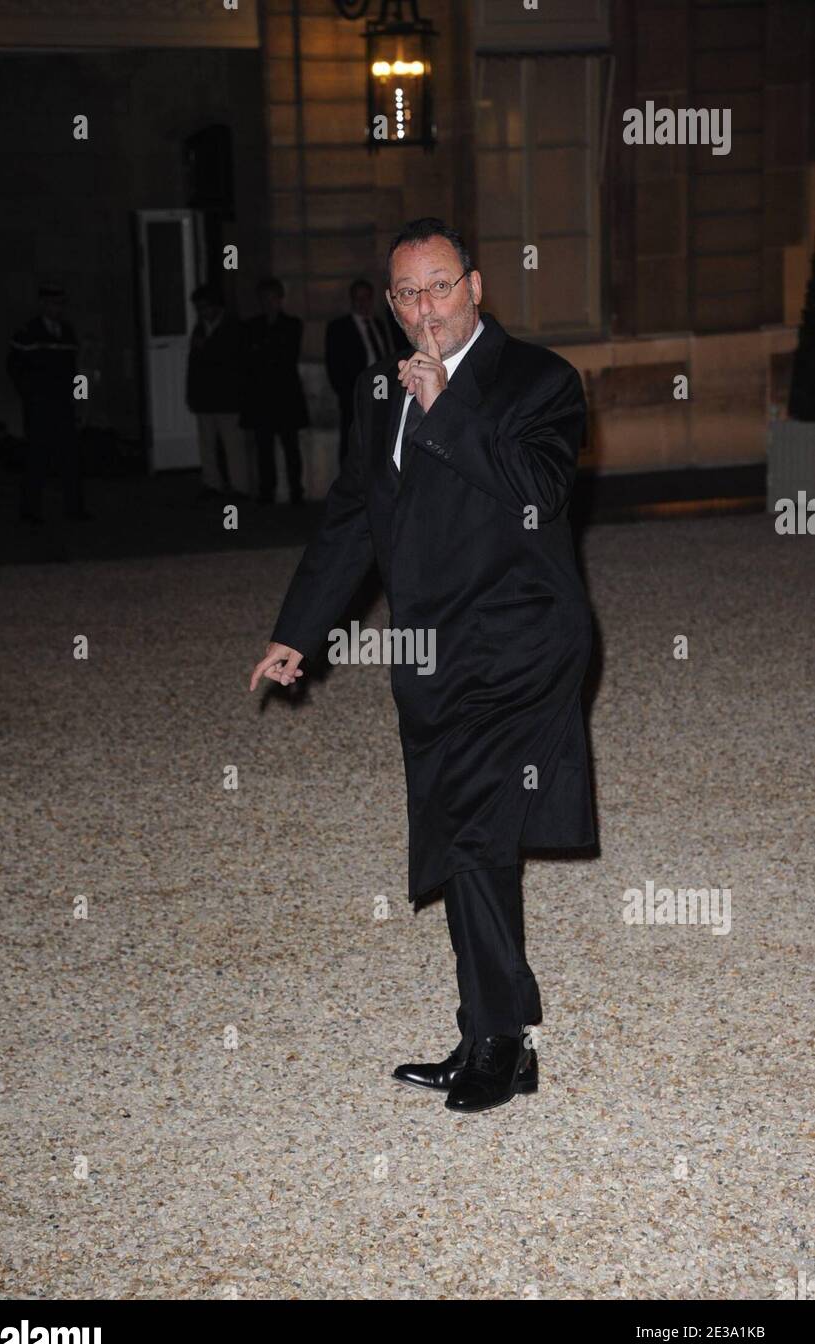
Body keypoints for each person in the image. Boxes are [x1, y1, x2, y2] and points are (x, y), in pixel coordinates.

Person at [249, 217, 595, 1115]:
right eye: (406, 294)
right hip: (429, 652)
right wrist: (300, 631)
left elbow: (539, 489)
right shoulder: (376, 390)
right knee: (460, 835)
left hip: (519, 645)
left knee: (474, 831)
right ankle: (500, 1030)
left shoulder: (537, 380)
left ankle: (495, 1040)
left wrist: (448, 406)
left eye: (439, 287)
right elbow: (353, 521)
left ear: (475, 287)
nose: (423, 309)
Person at [7, 285, 88, 523]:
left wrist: (79, 399)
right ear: (43, 304)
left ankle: (74, 508)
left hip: (63, 404)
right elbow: (14, 367)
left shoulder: (67, 332)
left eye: (62, 304)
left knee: (70, 458)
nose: (58, 309)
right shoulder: (27, 332)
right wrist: (29, 394)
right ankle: (30, 510)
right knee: (36, 456)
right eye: (54, 303)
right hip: (39, 404)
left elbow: (77, 370)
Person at [243, 277, 308, 506]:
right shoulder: (253, 326)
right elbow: (250, 359)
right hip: (262, 396)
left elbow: (285, 356)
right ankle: (266, 492)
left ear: (280, 300)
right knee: (264, 448)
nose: (268, 304)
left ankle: (296, 491)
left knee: (291, 446)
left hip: (285, 395)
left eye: (272, 299)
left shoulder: (292, 324)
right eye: (264, 299)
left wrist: (263, 351)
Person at [325, 279, 405, 462]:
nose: (362, 302)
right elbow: (334, 365)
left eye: (366, 298)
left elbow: (386, 356)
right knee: (352, 441)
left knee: (379, 438)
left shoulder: (378, 324)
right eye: (358, 298)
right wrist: (347, 394)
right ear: (352, 300)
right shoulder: (340, 327)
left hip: (381, 389)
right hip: (355, 392)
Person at [186, 284, 250, 499]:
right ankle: (212, 483)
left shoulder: (233, 327)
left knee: (233, 444)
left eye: (204, 307)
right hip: (205, 396)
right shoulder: (200, 329)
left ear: (216, 306)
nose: (202, 312)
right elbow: (194, 365)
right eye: (199, 308)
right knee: (207, 443)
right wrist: (191, 393)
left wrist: (207, 349)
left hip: (227, 396)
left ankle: (239, 485)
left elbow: (233, 361)